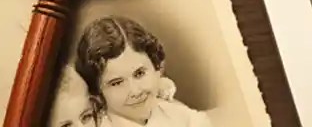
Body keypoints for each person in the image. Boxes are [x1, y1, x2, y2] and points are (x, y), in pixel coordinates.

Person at [74, 16, 211, 127]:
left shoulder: (178, 115)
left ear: (157, 67)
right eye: (116, 83)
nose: (135, 91)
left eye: (139, 74)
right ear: (97, 92)